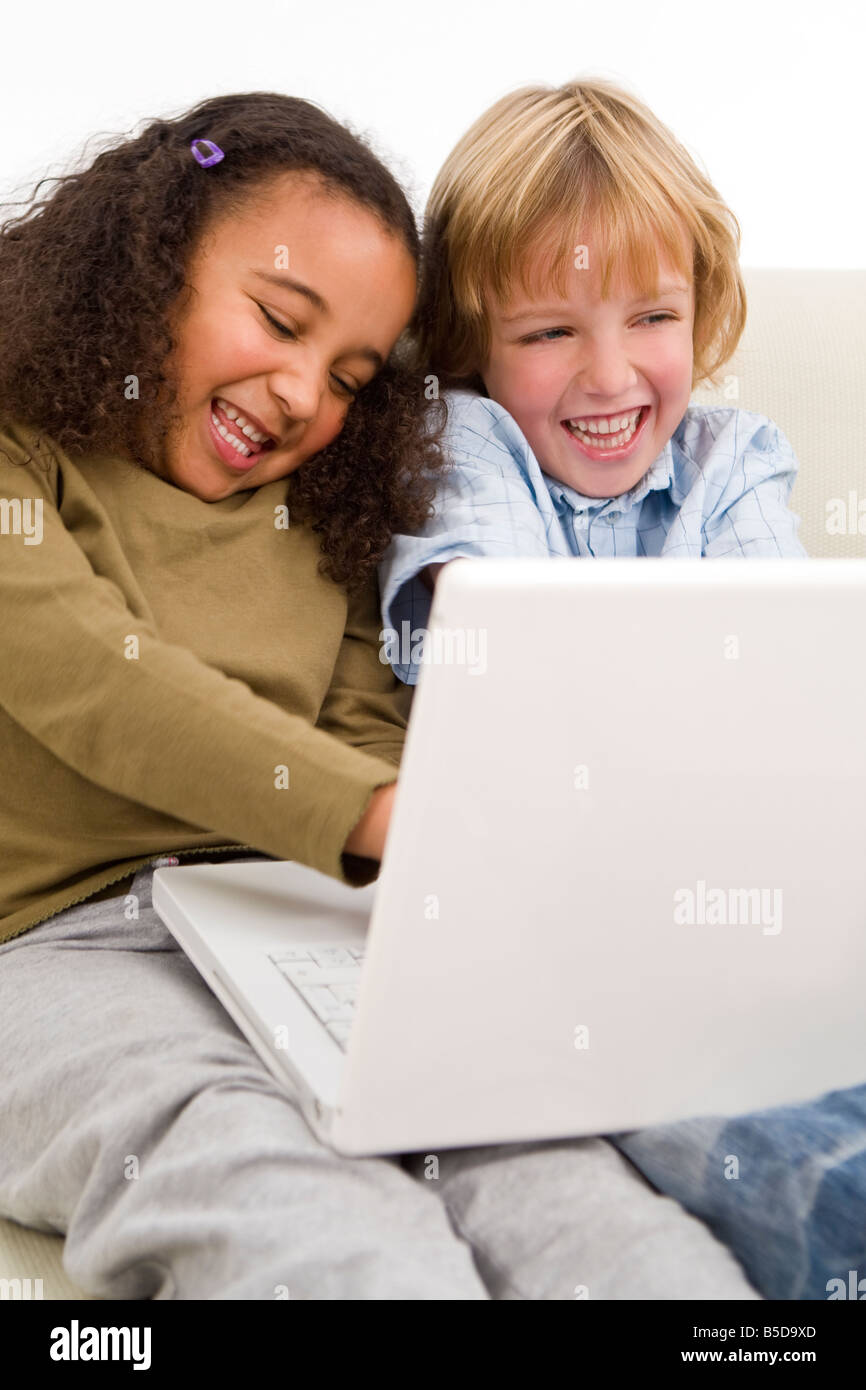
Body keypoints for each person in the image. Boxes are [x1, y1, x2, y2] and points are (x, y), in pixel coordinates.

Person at [0, 91, 758, 1300]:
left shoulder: (329, 505)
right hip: (48, 954)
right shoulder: (15, 446)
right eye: (277, 320)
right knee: (276, 1186)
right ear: (144, 267)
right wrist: (395, 819)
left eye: (350, 373)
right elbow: (94, 676)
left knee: (559, 1181)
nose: (303, 394)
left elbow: (359, 716)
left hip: (304, 910)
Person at [376, 76, 866, 1301]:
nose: (608, 378)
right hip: (553, 936)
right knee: (715, 1113)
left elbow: (786, 683)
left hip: (745, 903)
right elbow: (513, 671)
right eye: (547, 333)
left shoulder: (729, 455)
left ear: (700, 311)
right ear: (472, 348)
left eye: (650, 316)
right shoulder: (461, 441)